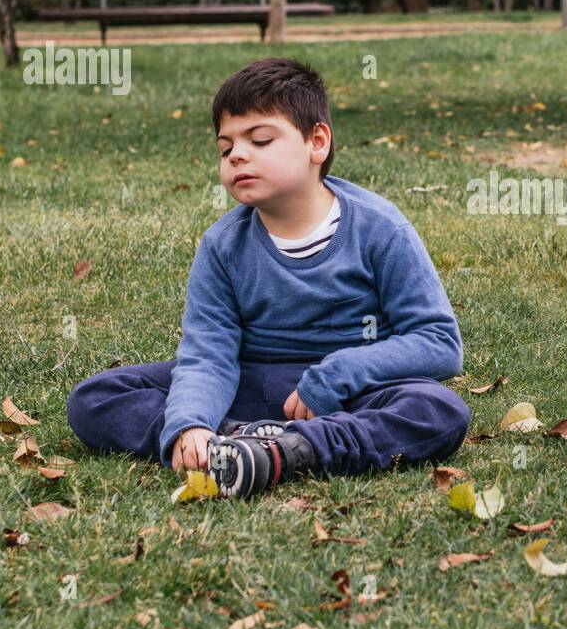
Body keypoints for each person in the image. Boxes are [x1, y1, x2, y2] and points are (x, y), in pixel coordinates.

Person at [66, 57, 471, 498]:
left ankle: (294, 450)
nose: (238, 154)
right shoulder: (222, 245)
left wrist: (339, 373)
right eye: (226, 148)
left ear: (316, 142)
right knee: (97, 397)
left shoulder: (379, 228)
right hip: (248, 383)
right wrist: (191, 422)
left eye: (260, 140)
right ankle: (228, 441)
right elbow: (208, 355)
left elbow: (438, 341)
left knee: (438, 409)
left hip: (351, 394)